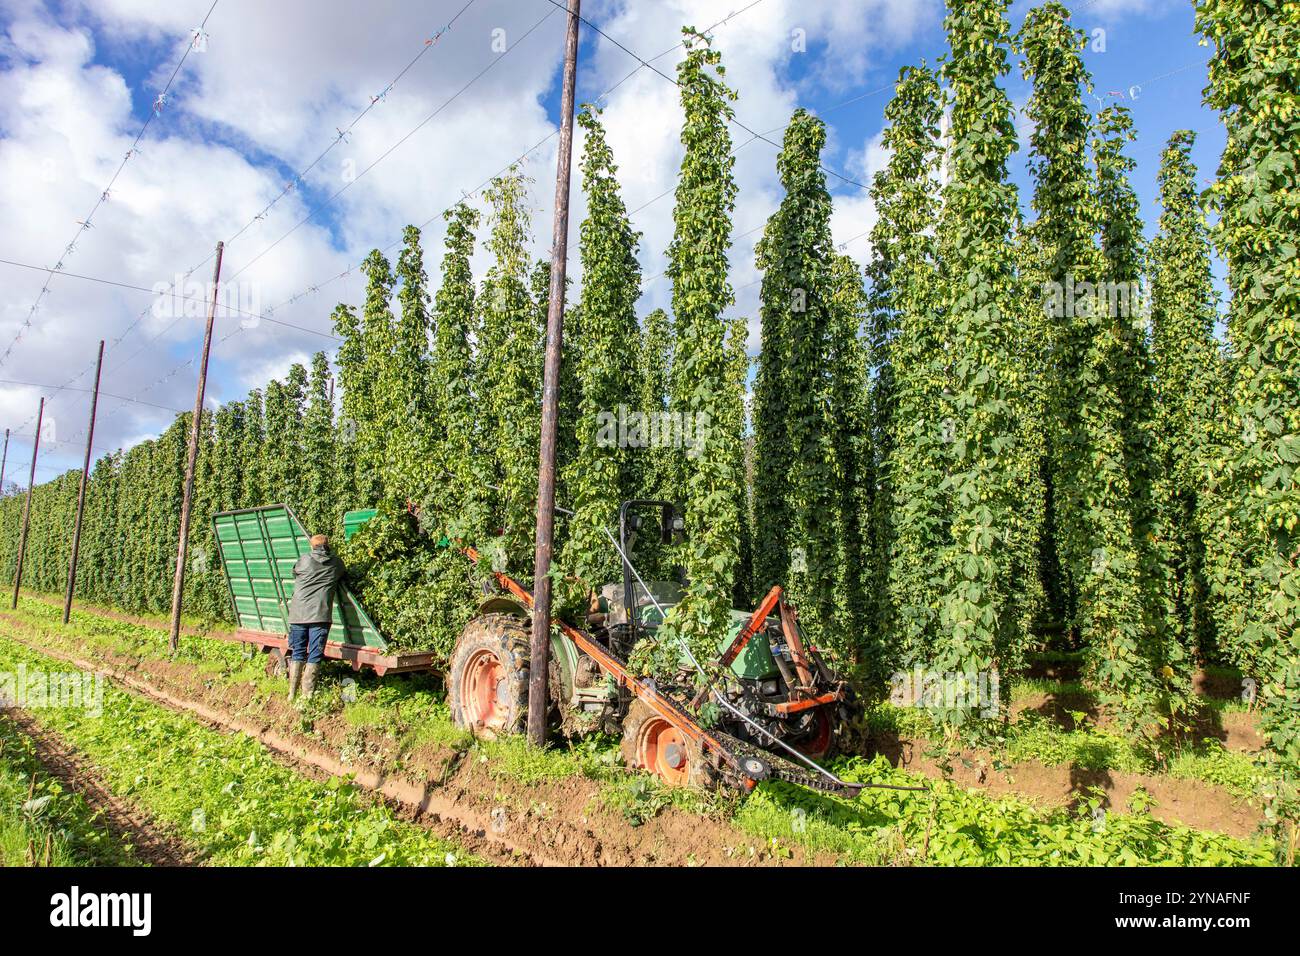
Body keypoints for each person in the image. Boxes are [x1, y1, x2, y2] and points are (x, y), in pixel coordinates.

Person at [286, 533, 345, 701]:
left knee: (298, 652)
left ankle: (291, 694)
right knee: (315, 654)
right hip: (320, 615)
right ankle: (308, 695)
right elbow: (343, 573)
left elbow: (294, 572)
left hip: (298, 614)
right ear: (328, 546)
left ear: (312, 547)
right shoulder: (336, 563)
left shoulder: (303, 560)